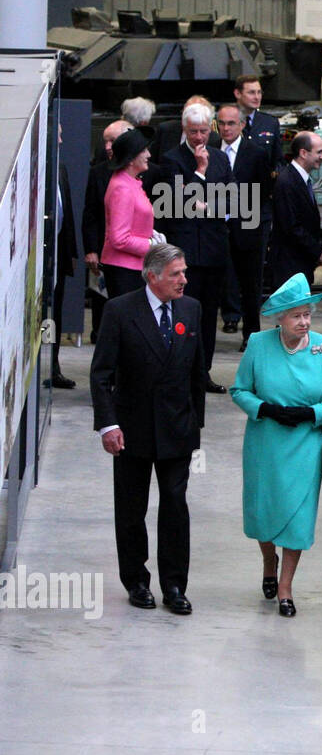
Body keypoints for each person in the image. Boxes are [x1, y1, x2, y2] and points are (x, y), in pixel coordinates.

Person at [90, 244, 207, 616]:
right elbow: (102, 374)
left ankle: (174, 585)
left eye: (184, 272)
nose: (184, 280)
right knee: (131, 508)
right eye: (176, 274)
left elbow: (196, 374)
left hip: (176, 430)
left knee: (175, 506)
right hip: (131, 430)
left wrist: (194, 428)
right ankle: (136, 581)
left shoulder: (191, 309)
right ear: (152, 276)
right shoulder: (119, 311)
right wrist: (108, 424)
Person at [230, 274, 322, 617]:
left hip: (305, 444)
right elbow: (240, 390)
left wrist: (310, 413)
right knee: (262, 513)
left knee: (298, 517)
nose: (304, 321)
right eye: (296, 315)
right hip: (265, 441)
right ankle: (269, 559)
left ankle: (285, 588)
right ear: (280, 318)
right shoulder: (258, 344)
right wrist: (264, 409)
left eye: (307, 314)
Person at [157, 102, 233, 393]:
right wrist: (200, 173)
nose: (199, 137)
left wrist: (206, 205)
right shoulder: (172, 160)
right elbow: (176, 203)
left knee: (207, 314)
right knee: (181, 314)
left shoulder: (220, 158)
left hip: (213, 250)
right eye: (193, 132)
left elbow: (232, 199)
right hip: (185, 251)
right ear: (184, 130)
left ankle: (203, 373)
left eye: (203, 131)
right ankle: (179, 373)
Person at [212, 103, 273, 352]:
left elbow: (263, 192)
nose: (226, 129)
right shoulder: (210, 150)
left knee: (250, 285)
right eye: (222, 123)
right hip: (215, 227)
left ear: (242, 125)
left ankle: (251, 334)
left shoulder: (256, 153)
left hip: (247, 227)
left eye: (231, 123)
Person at [83, 120, 132, 343]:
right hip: (106, 253)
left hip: (136, 254)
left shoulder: (147, 172)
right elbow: (91, 213)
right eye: (105, 141)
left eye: (112, 141)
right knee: (105, 305)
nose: (107, 147)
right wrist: (91, 249)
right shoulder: (98, 173)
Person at [101, 129, 160, 299]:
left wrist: (151, 235)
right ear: (130, 158)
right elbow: (119, 238)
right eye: (144, 150)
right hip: (124, 272)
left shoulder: (131, 182)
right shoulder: (122, 188)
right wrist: (151, 245)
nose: (148, 154)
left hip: (133, 268)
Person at [269, 131, 322, 291]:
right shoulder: (287, 181)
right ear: (303, 153)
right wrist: (316, 250)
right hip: (290, 266)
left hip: (300, 263)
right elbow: (291, 226)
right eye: (319, 152)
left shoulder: (300, 179)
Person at [47, 129, 77, 388]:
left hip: (59, 255)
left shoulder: (61, 167)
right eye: (56, 134)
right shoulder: (39, 169)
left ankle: (52, 365)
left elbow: (66, 214)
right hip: (41, 258)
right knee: (43, 313)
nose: (61, 139)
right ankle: (43, 364)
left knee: (55, 312)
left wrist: (72, 253)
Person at [234, 75, 282, 171]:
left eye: (259, 92)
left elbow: (278, 160)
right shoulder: (225, 121)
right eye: (251, 93)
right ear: (238, 93)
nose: (257, 97)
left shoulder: (270, 123)